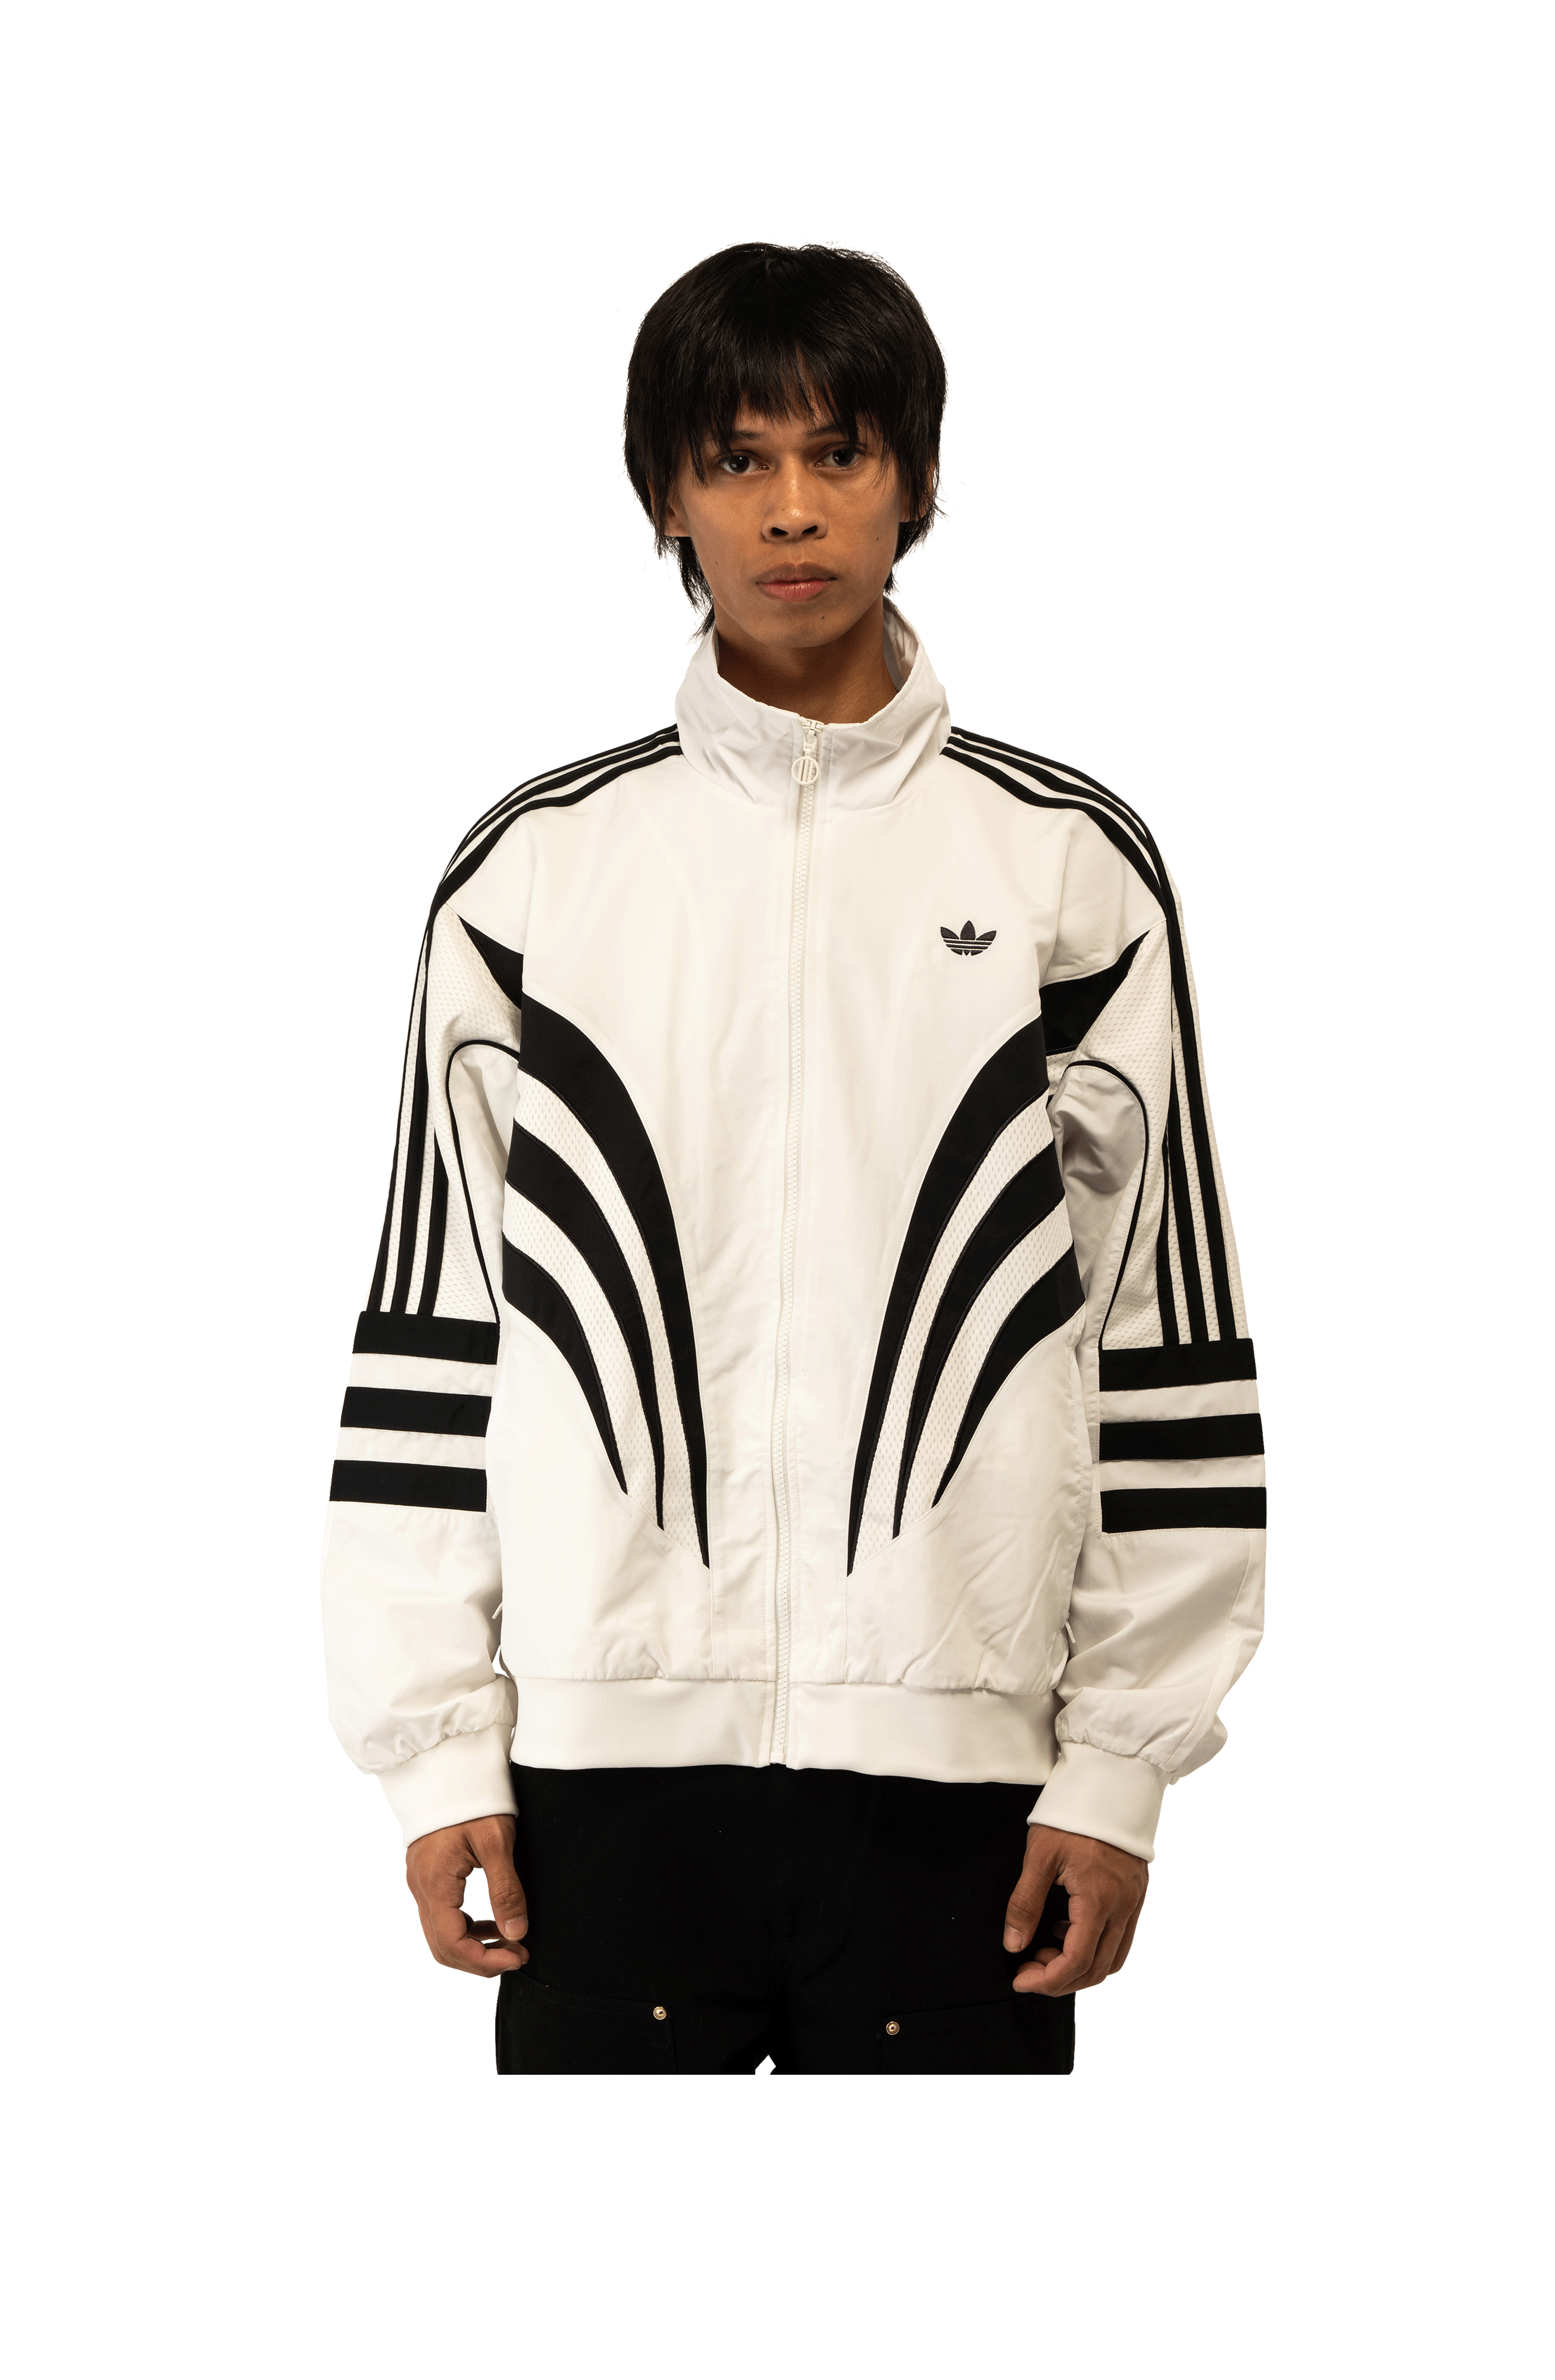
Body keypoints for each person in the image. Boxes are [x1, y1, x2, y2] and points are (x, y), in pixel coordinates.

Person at [321, 242, 1265, 2074]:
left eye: (841, 452)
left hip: (964, 1784)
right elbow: (437, 1333)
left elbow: (1161, 1336)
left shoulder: (1067, 869)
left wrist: (1120, 1765)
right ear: (665, 494)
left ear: (919, 479)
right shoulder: (538, 872)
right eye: (737, 459)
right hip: (599, 1779)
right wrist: (437, 1751)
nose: (792, 509)